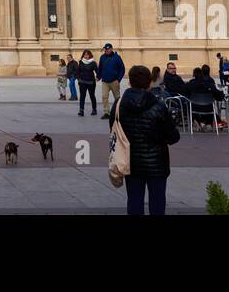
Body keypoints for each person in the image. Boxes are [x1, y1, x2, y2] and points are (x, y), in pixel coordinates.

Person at [113, 64, 180, 215]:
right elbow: (173, 137)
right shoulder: (159, 106)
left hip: (131, 161)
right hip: (156, 163)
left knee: (134, 201)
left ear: (129, 82)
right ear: (150, 83)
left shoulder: (119, 104)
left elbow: (114, 129)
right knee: (157, 203)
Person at [98, 43, 126, 119]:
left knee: (117, 97)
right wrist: (98, 77)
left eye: (107, 49)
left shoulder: (117, 57)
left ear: (111, 49)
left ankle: (118, 112)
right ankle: (106, 112)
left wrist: (118, 79)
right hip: (105, 81)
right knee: (104, 97)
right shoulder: (102, 57)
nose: (106, 50)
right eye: (105, 49)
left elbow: (122, 69)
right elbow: (100, 68)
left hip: (114, 81)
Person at [75, 49, 98, 116]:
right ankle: (81, 110)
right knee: (82, 96)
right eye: (85, 54)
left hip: (91, 82)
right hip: (82, 82)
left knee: (92, 96)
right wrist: (78, 79)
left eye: (87, 54)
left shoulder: (93, 63)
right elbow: (78, 71)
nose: (86, 56)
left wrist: (98, 77)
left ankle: (94, 109)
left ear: (90, 55)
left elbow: (97, 71)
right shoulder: (81, 62)